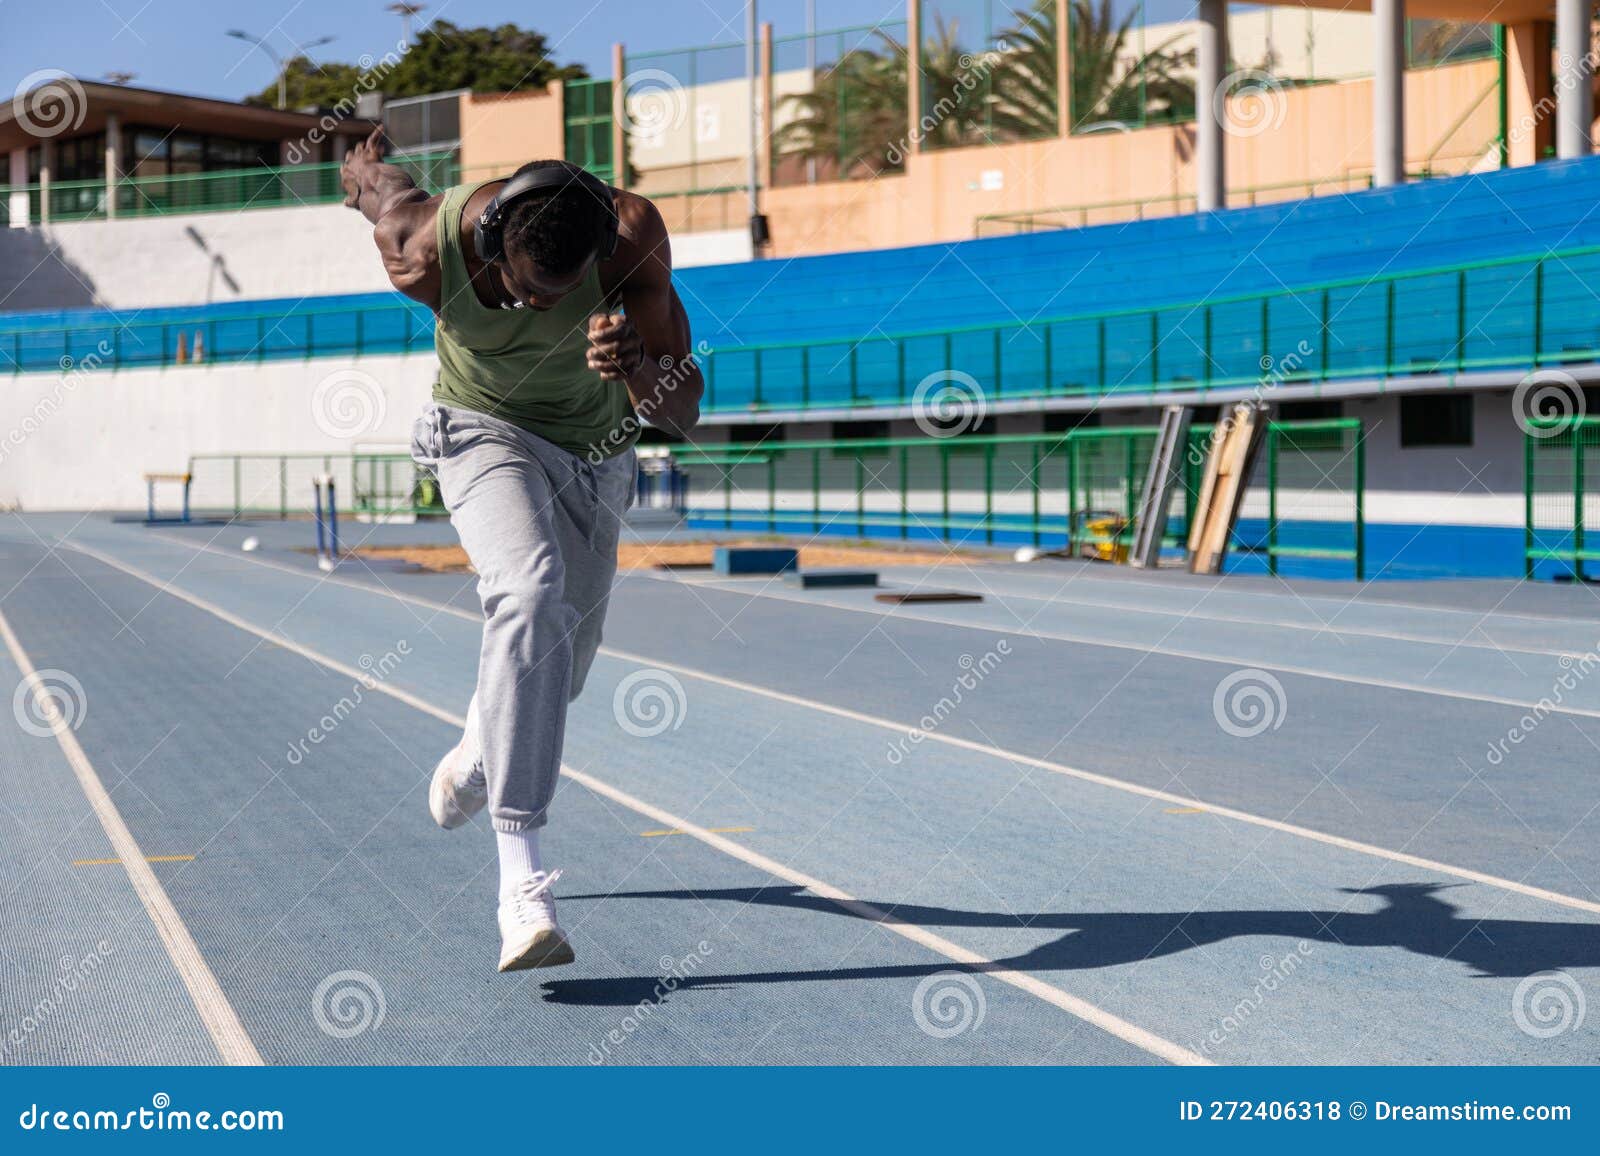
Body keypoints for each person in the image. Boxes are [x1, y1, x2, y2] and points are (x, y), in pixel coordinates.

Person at [340, 127, 702, 972]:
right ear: (495, 244)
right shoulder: (424, 249)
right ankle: (522, 887)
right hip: (480, 429)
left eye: (564, 291)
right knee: (531, 593)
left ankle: (480, 750)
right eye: (528, 288)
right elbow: (379, 190)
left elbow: (684, 411)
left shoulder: (631, 238)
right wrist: (358, 168)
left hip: (597, 453)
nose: (545, 304)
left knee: (561, 662)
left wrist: (637, 368)